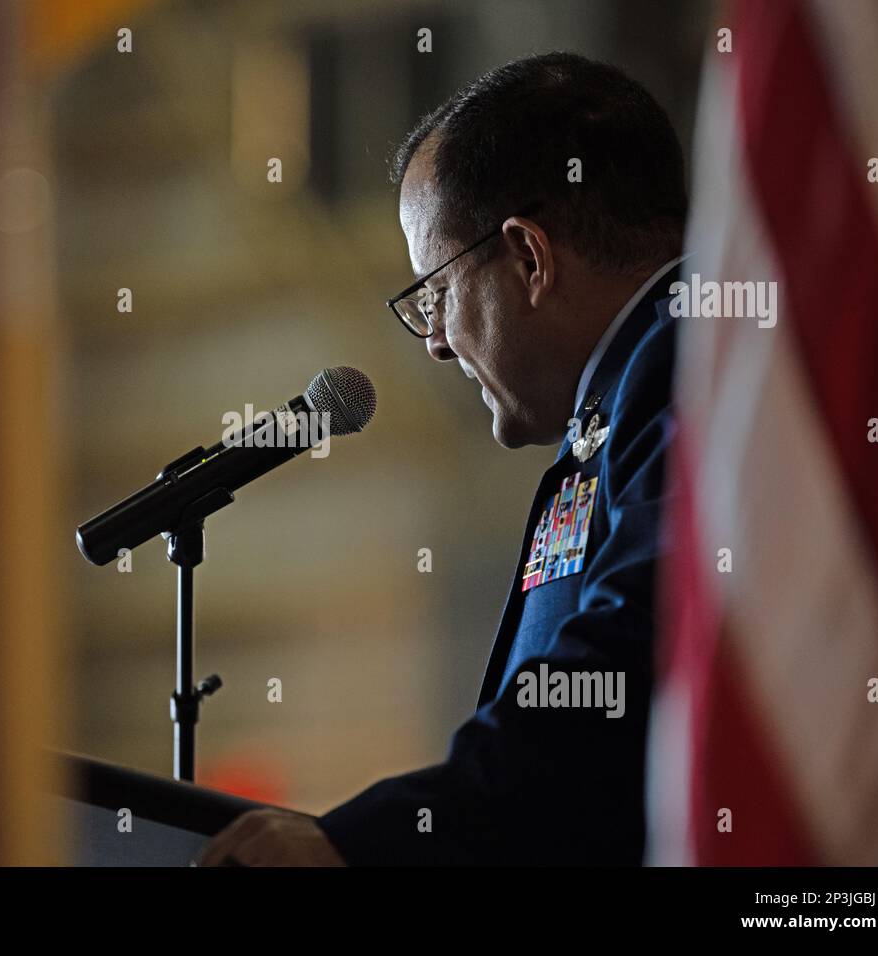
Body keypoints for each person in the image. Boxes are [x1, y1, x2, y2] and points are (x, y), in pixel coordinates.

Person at [199, 51, 689, 866]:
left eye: (435, 292)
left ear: (529, 257)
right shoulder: (625, 393)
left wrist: (361, 845)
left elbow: (626, 669)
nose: (432, 341)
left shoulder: (689, 364)